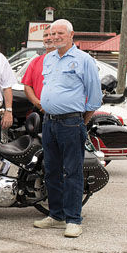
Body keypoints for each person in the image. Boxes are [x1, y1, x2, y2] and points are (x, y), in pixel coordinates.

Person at [33, 19, 102, 238]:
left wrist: (81, 120)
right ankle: (56, 215)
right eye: (52, 34)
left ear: (72, 35)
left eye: (60, 33)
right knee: (51, 170)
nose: (54, 37)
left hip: (71, 122)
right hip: (49, 122)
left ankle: (73, 219)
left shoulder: (84, 60)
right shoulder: (48, 59)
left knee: (72, 171)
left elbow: (94, 97)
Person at [21, 26, 56, 111]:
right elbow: (27, 86)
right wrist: (38, 103)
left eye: (51, 35)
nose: (48, 38)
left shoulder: (67, 61)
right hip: (39, 109)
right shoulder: (35, 61)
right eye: (45, 35)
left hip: (62, 112)